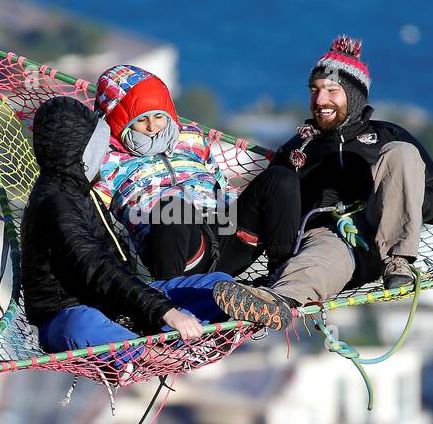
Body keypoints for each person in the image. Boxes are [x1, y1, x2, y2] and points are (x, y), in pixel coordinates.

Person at [215, 36, 433, 329]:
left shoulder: (389, 135)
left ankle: (399, 262)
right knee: (317, 262)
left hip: (383, 231)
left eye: (332, 91)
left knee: (402, 153)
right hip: (329, 240)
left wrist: (395, 193)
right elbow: (271, 207)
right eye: (314, 90)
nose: (320, 100)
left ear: (353, 95)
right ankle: (275, 301)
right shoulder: (299, 147)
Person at [20, 96, 261, 366]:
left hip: (117, 307)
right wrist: (165, 311)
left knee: (215, 283)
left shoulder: (81, 192)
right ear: (83, 155)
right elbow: (97, 268)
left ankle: (243, 310)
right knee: (80, 324)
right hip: (67, 315)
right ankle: (155, 354)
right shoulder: (57, 205)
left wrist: (155, 306)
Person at [93, 64, 299, 280]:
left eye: (158, 116)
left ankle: (282, 277)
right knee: (171, 208)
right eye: (141, 120)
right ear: (121, 121)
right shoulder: (106, 160)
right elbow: (96, 218)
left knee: (281, 177)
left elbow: (219, 181)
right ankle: (171, 300)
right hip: (181, 254)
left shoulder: (191, 137)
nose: (153, 127)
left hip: (228, 233)